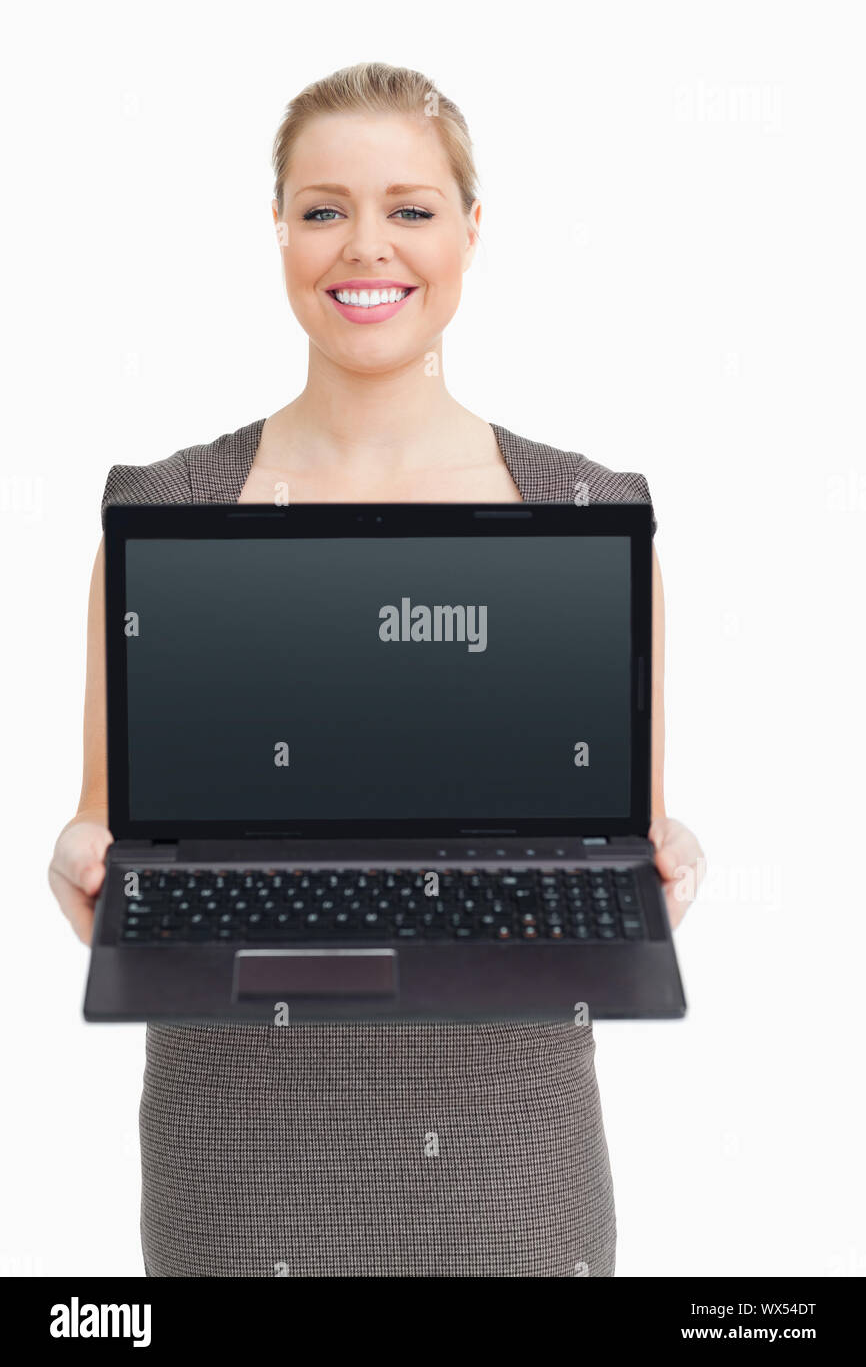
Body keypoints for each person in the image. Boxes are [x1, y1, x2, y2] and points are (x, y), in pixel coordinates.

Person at [48, 62, 705, 1277]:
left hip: (512, 1164)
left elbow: (617, 832)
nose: (365, 246)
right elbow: (106, 834)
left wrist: (658, 868)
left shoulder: (580, 511)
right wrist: (81, 863)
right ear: (281, 232)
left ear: (469, 228)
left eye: (409, 207)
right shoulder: (169, 507)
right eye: (321, 208)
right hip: (235, 1162)